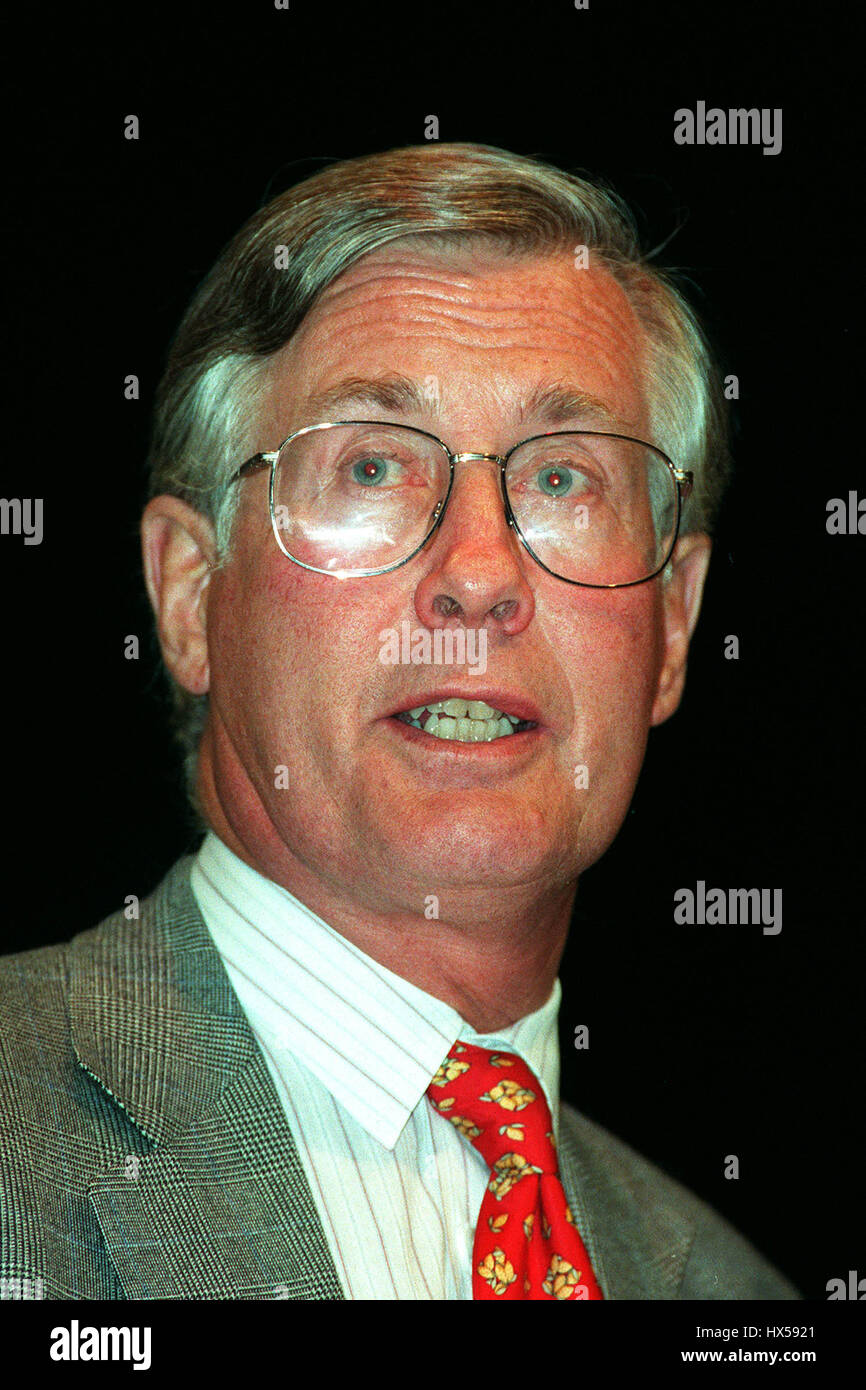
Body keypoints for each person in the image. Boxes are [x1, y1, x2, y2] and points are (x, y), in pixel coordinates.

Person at [0, 143, 798, 1300]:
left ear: (671, 627)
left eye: (564, 480)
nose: (478, 574)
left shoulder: (736, 1298)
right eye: (372, 466)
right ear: (188, 595)